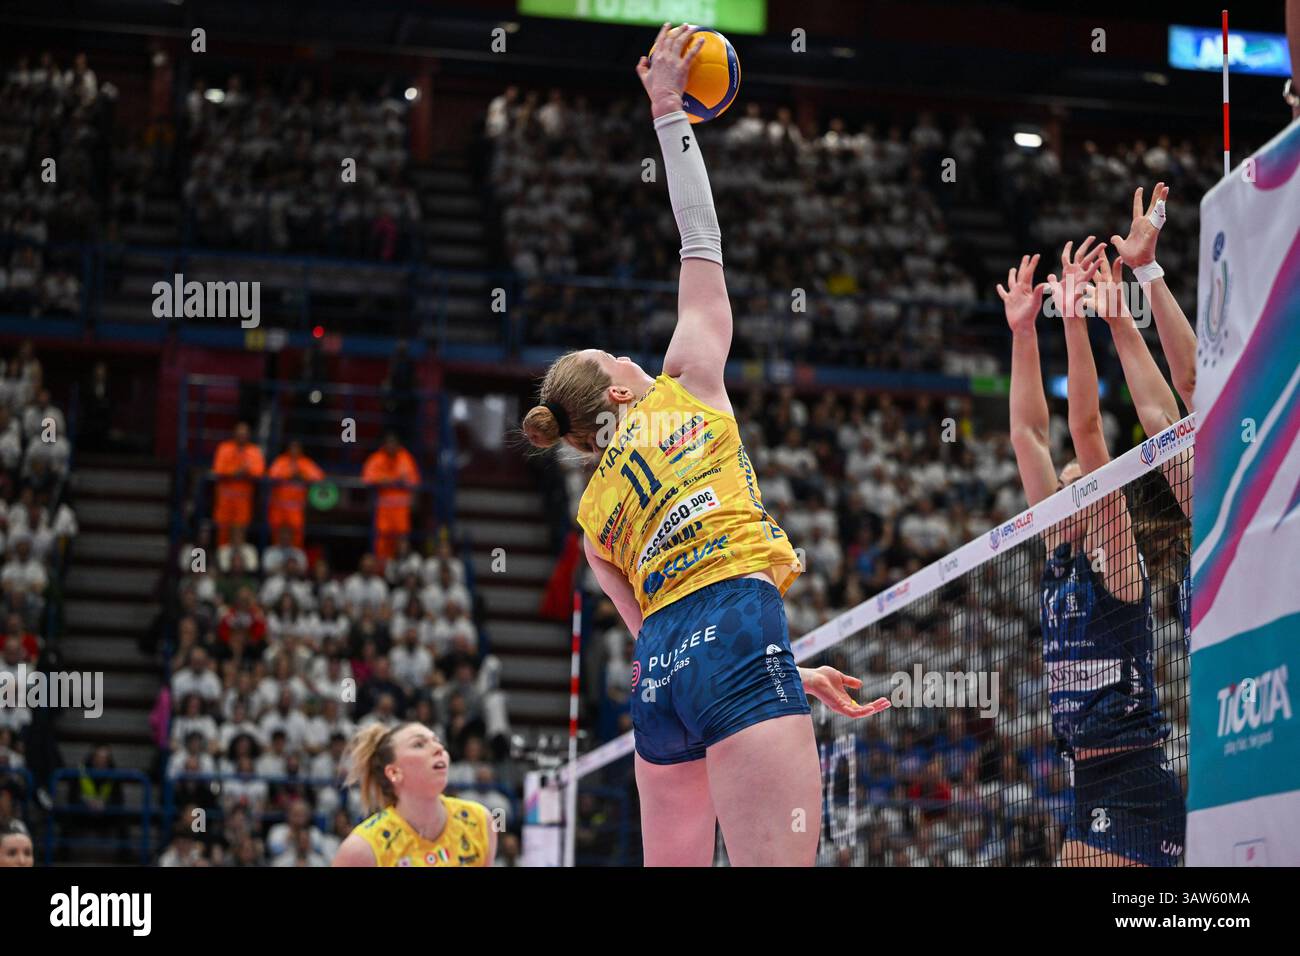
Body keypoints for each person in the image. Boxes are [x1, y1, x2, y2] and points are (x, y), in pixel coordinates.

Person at [519, 24, 888, 868]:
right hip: (734, 635)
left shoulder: (591, 516)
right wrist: (665, 112)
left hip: (663, 686)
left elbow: (658, 625)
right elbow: (700, 238)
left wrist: (781, 671)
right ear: (619, 390)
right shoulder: (685, 382)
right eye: (617, 356)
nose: (631, 354)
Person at [999, 240, 1184, 867]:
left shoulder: (1114, 551)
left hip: (1134, 777)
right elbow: (1028, 434)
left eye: (1081, 477)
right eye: (1068, 476)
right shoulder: (1060, 547)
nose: (1070, 477)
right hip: (1086, 778)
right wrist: (1024, 333)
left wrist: (1075, 322)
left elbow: (1084, 431)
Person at [332, 722, 496, 867]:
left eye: (437, 741)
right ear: (394, 772)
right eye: (419, 744)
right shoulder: (362, 849)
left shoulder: (479, 821)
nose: (439, 749)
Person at [361, 433, 420, 562]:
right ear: (384, 445)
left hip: (401, 510)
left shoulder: (406, 458)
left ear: (398, 445)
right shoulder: (377, 458)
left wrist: (400, 481)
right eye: (389, 444)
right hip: (384, 510)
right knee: (382, 542)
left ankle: (401, 568)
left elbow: (415, 480)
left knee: (402, 541)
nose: (391, 447)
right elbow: (366, 477)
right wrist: (381, 480)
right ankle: (381, 571)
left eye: (394, 444)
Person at [212, 422, 265, 546]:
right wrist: (235, 472)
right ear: (234, 433)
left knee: (240, 535)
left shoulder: (254, 451)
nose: (242, 436)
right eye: (239, 433)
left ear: (249, 435)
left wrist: (247, 471)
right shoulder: (224, 448)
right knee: (222, 535)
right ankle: (222, 560)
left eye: (245, 433)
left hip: (243, 501)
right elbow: (218, 469)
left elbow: (259, 472)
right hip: (225, 500)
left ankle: (238, 562)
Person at [266, 440, 324, 549]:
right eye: (292, 448)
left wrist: (302, 476)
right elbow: (272, 475)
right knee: (276, 535)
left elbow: (318, 476)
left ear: (300, 450)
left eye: (296, 448)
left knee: (297, 535)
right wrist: (289, 474)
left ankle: (295, 556)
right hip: (279, 508)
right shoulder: (281, 461)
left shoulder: (305, 463)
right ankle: (276, 555)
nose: (294, 451)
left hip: (296, 509)